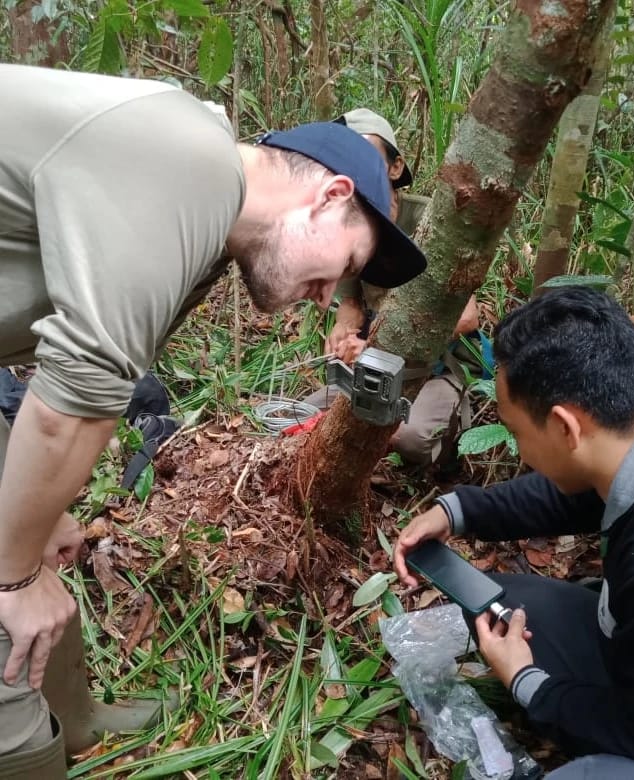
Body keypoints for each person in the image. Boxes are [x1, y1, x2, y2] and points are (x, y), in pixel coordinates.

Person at [0, 65, 426, 777]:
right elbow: (73, 398)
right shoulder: (184, 166)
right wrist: (11, 577)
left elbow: (74, 377)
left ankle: (76, 721)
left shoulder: (203, 211)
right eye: (344, 265)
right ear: (331, 194)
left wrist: (39, 519)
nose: (327, 297)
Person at [394, 286, 634, 779]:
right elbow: (571, 492)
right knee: (499, 607)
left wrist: (528, 683)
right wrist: (456, 512)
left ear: (564, 428)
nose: (519, 447)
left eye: (516, 432)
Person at [305, 108, 487, 465]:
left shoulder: (430, 224)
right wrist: (344, 330)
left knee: (409, 439)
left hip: (438, 367)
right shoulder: (351, 226)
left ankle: (457, 420)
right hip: (378, 368)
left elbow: (467, 319)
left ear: (395, 166)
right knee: (298, 415)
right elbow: (353, 300)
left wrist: (375, 348)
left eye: (366, 156)